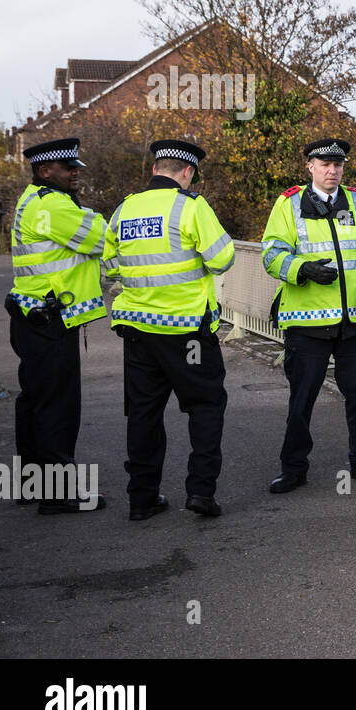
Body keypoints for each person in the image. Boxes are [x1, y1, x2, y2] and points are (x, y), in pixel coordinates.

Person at [103, 140, 235, 520]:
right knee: (205, 407)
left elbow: (111, 266)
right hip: (187, 332)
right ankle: (200, 493)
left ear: (156, 168)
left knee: (144, 413)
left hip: (138, 332)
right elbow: (223, 258)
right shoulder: (191, 206)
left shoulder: (125, 208)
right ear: (188, 172)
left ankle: (141, 499)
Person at [261, 138, 356, 493]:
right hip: (307, 322)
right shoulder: (289, 204)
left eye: (338, 165)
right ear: (310, 166)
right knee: (301, 400)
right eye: (324, 164)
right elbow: (271, 254)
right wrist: (302, 268)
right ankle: (293, 468)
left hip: (355, 318)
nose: (332, 171)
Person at [5, 137, 107, 513]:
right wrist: (94, 217)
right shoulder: (51, 206)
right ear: (45, 170)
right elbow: (102, 238)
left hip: (32, 318)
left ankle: (30, 485)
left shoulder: (35, 200)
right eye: (68, 169)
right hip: (48, 322)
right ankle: (57, 494)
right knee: (57, 408)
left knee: (34, 402)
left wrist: (88, 215)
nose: (75, 175)